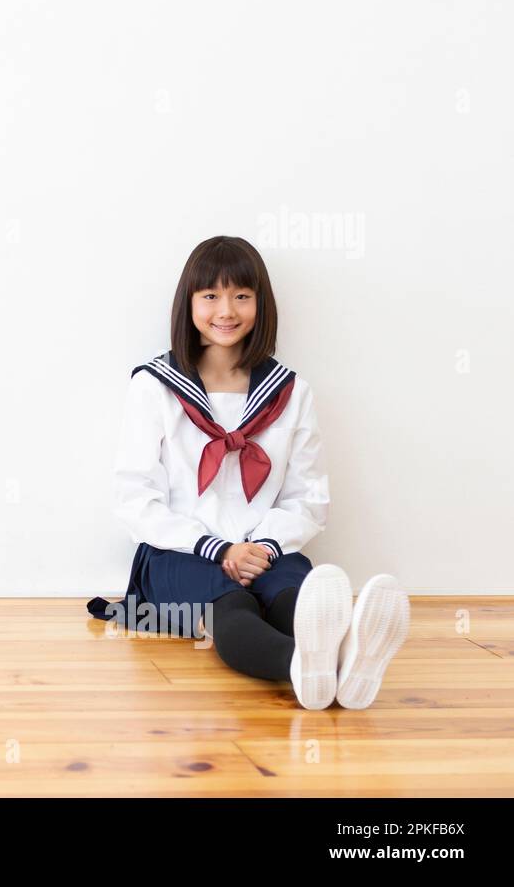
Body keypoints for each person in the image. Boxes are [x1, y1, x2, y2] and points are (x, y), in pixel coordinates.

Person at [88, 235, 409, 710]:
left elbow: (308, 495)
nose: (226, 310)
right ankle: (308, 667)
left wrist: (262, 546)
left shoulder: (290, 391)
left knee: (292, 596)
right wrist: (217, 548)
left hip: (266, 547)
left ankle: (346, 657)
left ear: (261, 303)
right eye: (210, 296)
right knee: (230, 607)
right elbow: (135, 498)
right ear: (188, 303)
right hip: (179, 550)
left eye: (242, 295)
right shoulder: (154, 387)